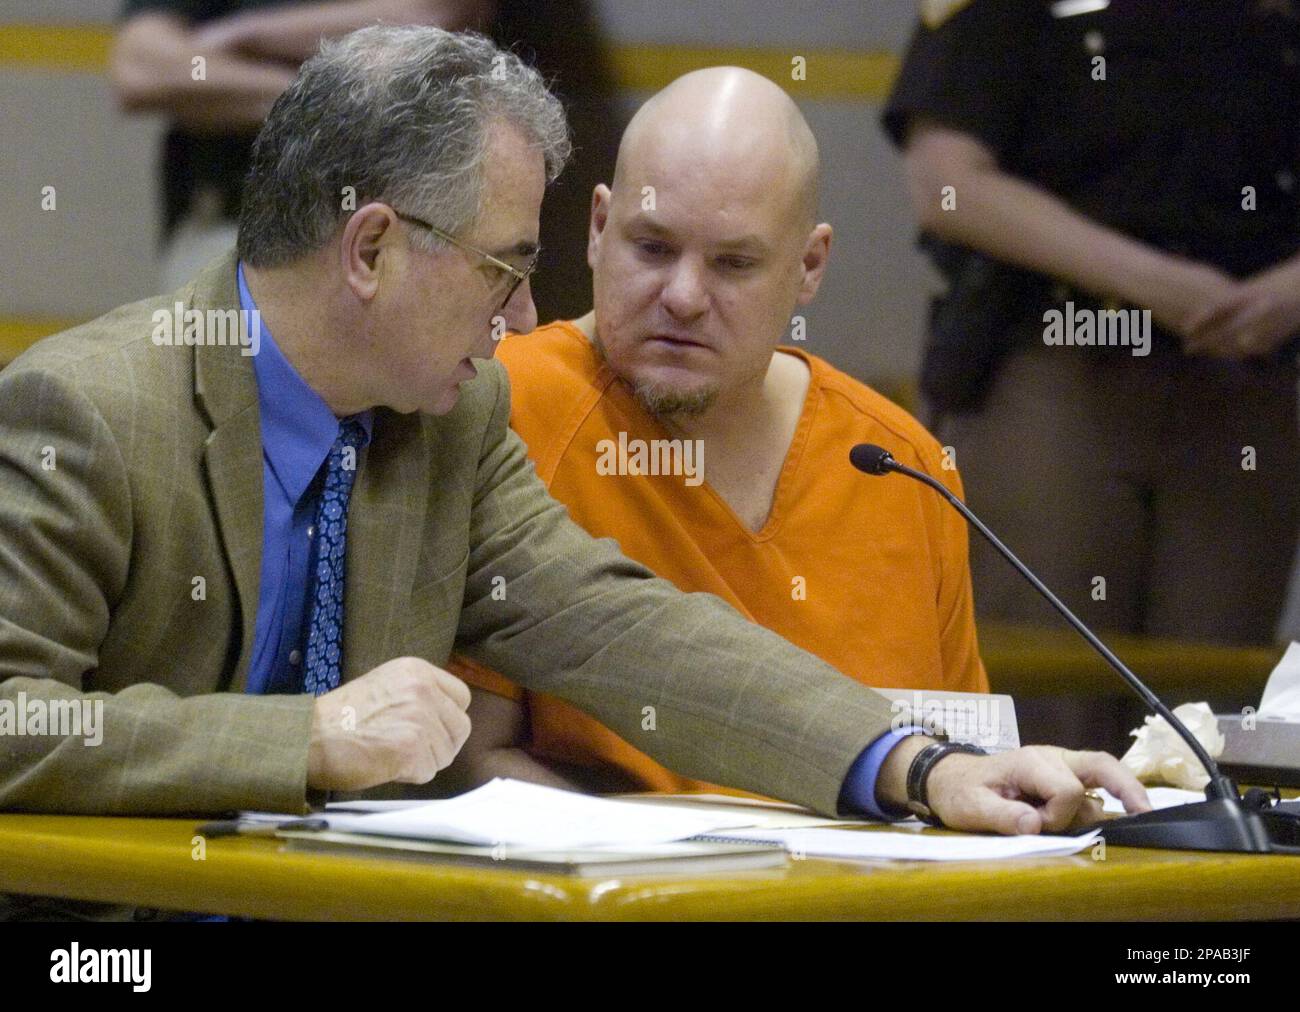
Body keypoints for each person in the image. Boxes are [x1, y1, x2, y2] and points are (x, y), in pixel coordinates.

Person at [0, 27, 1148, 855]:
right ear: (371, 250)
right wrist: (299, 739)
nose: (525, 320)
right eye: (505, 266)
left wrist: (914, 764)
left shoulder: (454, 418)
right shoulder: (89, 409)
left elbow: (621, 624)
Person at [441, 67, 989, 799]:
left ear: (810, 266)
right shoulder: (496, 402)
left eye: (734, 263)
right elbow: (460, 768)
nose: (684, 298)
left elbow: (962, 757)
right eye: (653, 248)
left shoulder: (900, 462)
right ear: (598, 228)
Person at [883, 0, 1300, 649]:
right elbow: (945, 182)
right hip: (1055, 368)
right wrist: (1151, 283)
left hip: (1249, 382)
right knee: (1047, 690)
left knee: (1213, 705)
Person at [110, 0, 619, 320]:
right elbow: (141, 66)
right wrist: (339, 106)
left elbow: (432, 18)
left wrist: (245, 34)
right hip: (239, 229)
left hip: (422, 233)